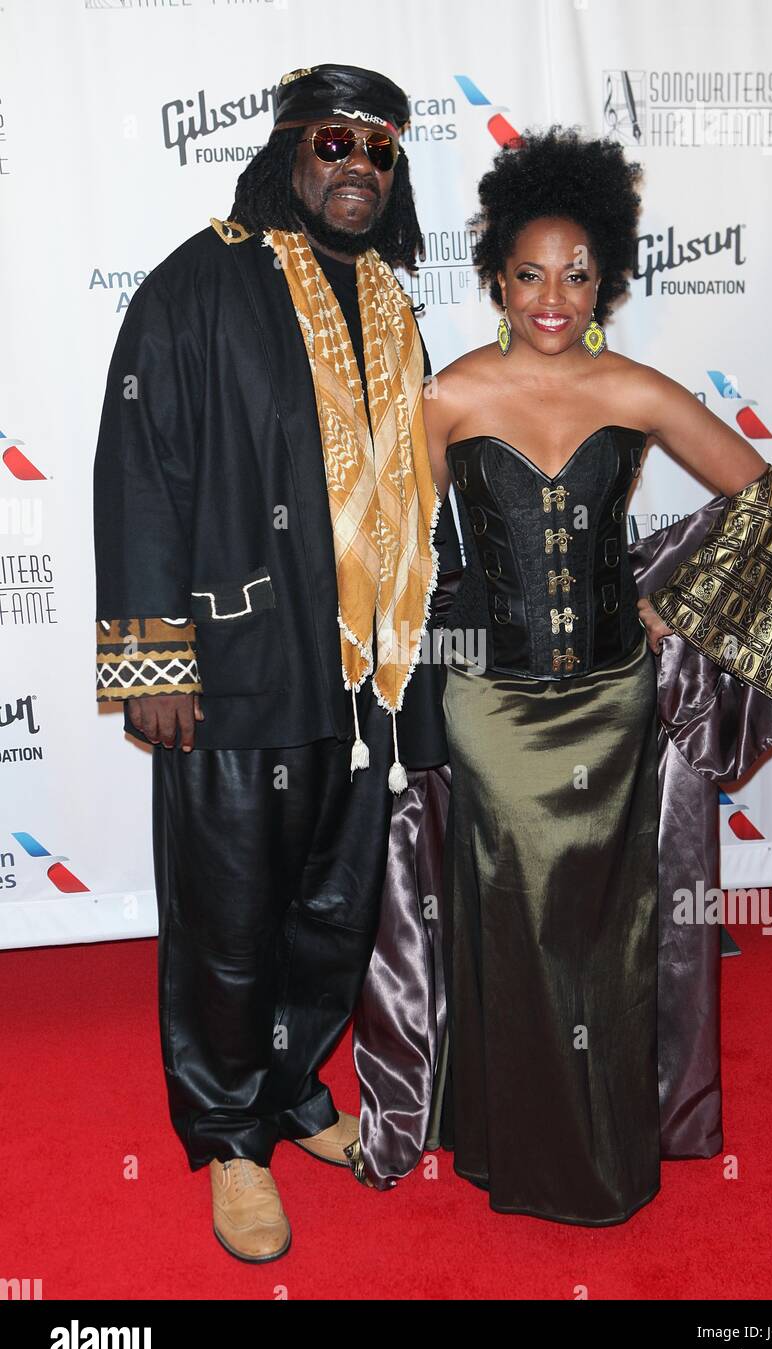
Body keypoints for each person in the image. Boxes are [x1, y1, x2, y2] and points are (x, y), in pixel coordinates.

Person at [351, 127, 772, 1223]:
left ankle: (603, 1144)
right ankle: (520, 1145)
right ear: (498, 277)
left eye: (578, 273)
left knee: (606, 926)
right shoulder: (450, 395)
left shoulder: (635, 388)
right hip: (493, 706)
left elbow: (761, 493)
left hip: (612, 700)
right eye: (531, 274)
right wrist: (432, 627)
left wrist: (671, 603)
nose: (554, 297)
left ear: (607, 275)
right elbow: (384, 543)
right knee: (512, 920)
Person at [92, 63, 451, 1260]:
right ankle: (232, 1138)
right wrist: (154, 667)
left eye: (381, 151)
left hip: (362, 682)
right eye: (335, 141)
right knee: (228, 914)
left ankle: (291, 1087)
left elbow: (423, 496)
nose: (358, 166)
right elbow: (140, 471)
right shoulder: (199, 285)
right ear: (289, 148)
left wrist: (436, 659)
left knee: (335, 905)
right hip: (236, 665)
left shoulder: (396, 307)